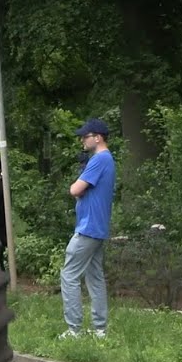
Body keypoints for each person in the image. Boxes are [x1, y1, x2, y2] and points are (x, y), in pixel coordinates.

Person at [59, 118, 116, 339]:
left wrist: (80, 178)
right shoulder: (107, 160)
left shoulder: (99, 159)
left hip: (88, 227)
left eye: (85, 136)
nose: (82, 140)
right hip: (98, 226)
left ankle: (74, 330)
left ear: (98, 137)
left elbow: (75, 190)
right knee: (95, 277)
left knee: (69, 275)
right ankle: (99, 330)